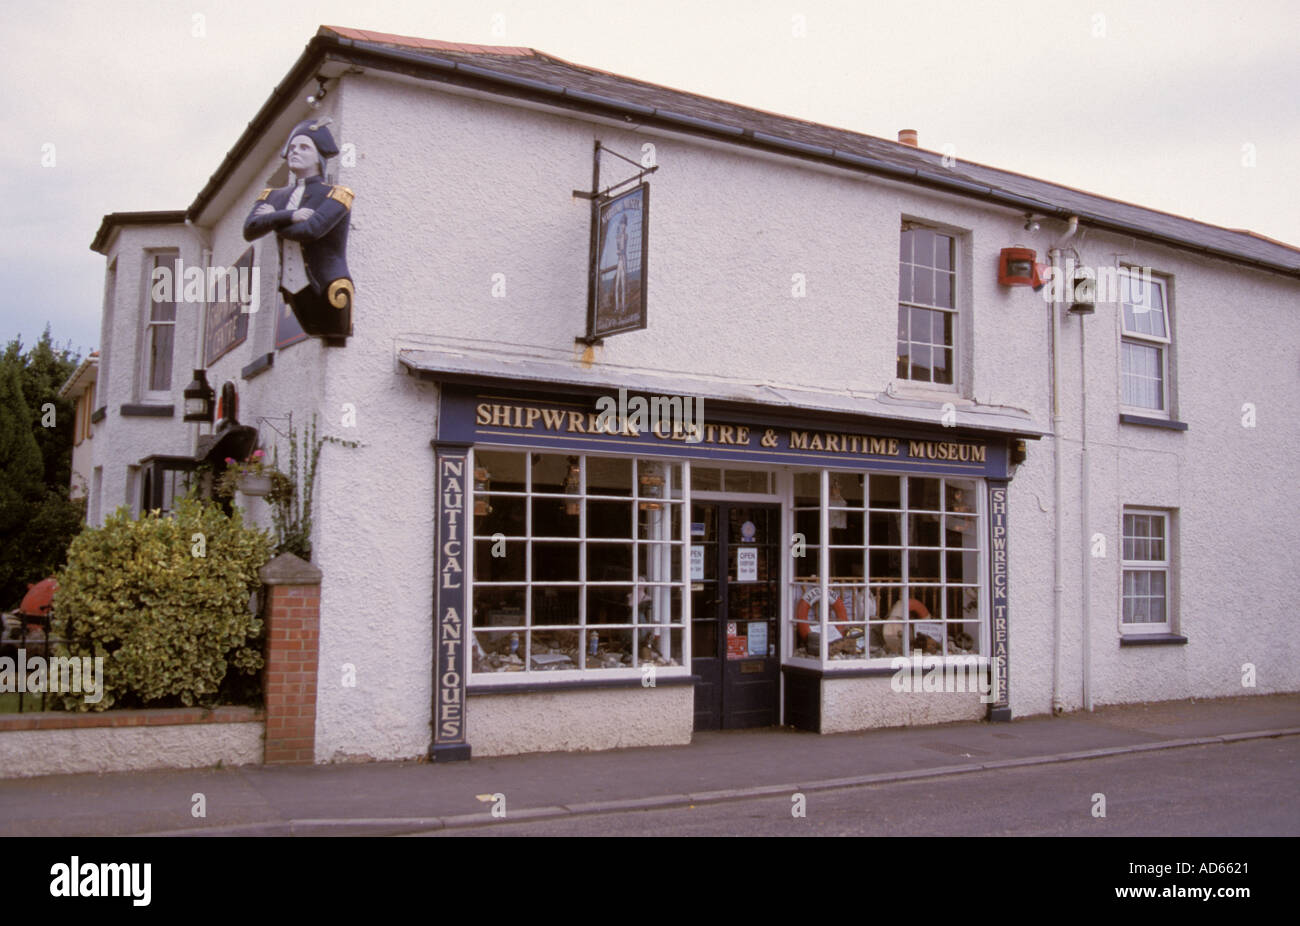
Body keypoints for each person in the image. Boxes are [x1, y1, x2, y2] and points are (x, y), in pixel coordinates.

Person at [243, 118, 354, 342]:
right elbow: (250, 230)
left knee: (331, 334)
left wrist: (271, 220)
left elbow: (311, 230)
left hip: (329, 286)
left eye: (304, 147)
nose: (295, 152)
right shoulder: (273, 195)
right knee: (313, 331)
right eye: (292, 147)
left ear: (318, 155)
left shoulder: (336, 194)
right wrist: (289, 216)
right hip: (290, 288)